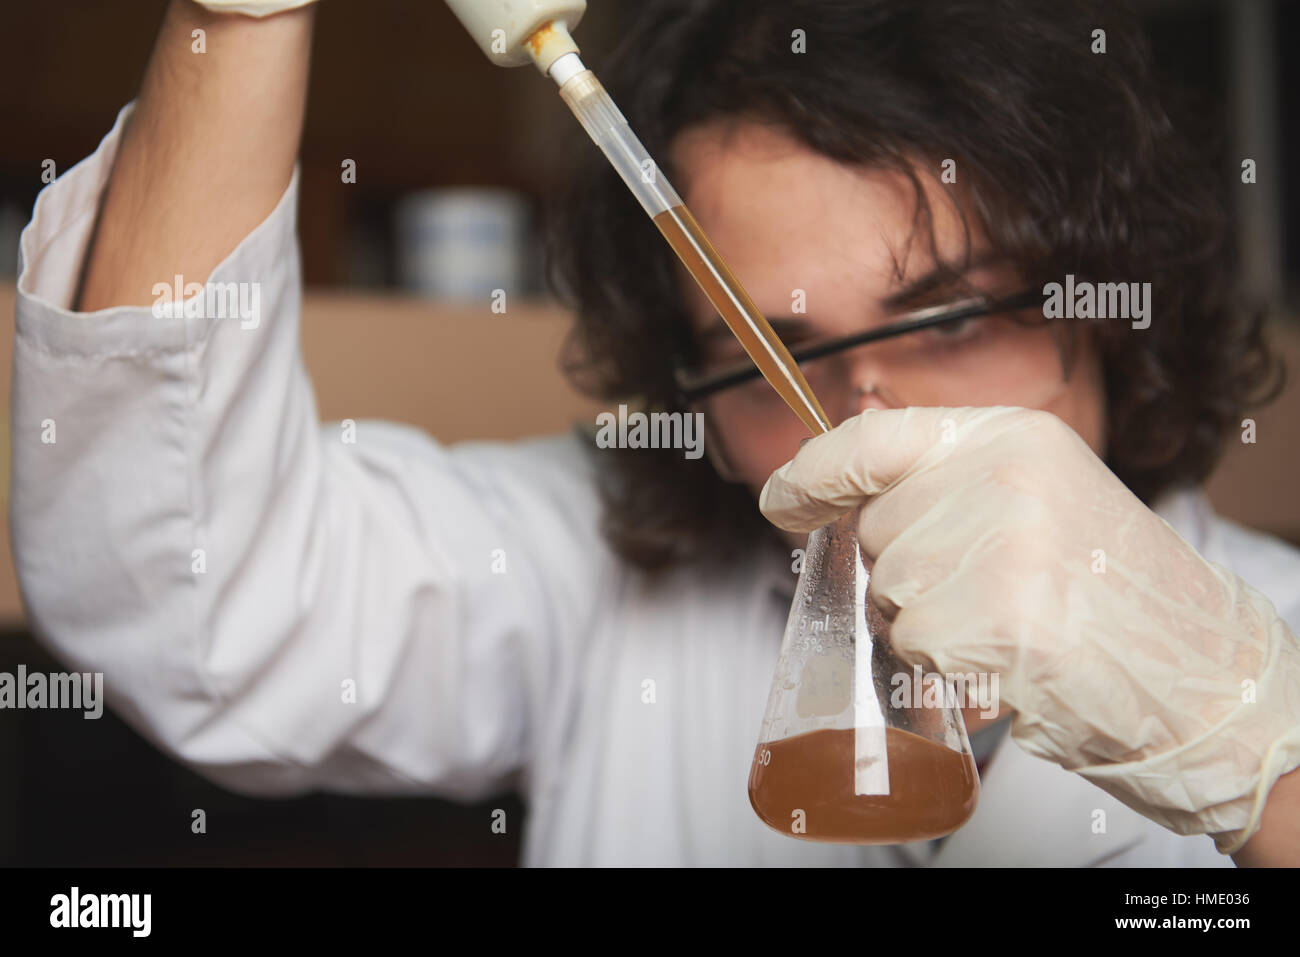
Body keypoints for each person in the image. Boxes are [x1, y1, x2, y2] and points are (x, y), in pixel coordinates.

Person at [10, 0, 1300, 866]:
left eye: (953, 319)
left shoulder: (1275, 650)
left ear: (1110, 312)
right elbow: (186, 593)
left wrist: (1253, 757)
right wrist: (237, 12)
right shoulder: (596, 574)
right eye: (767, 356)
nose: (872, 417)